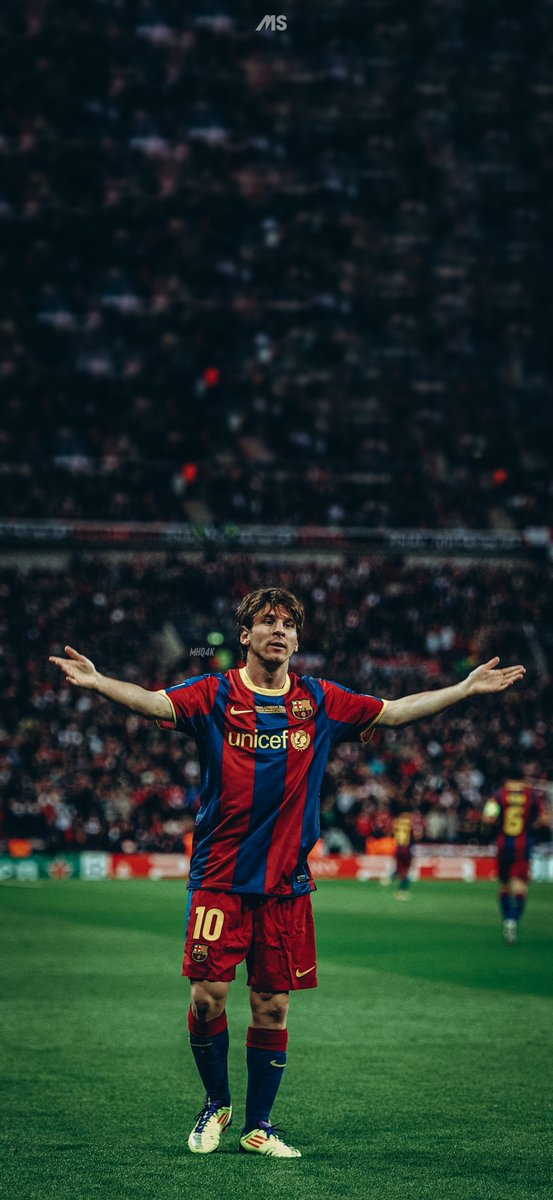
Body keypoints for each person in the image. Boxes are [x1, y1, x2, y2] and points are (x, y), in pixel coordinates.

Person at [49, 586, 526, 1158]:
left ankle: (260, 1126)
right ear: (245, 635)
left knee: (273, 1005)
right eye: (267, 622)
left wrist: (464, 688)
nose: (279, 630)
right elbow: (153, 703)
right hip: (220, 876)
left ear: (297, 640)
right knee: (208, 997)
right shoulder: (214, 693)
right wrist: (100, 682)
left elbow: (396, 712)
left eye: (288, 624)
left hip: (286, 884)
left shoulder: (320, 700)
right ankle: (215, 1103)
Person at [482, 769, 548, 945]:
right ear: (523, 779)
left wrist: (498, 823)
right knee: (520, 886)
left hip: (503, 844)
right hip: (523, 845)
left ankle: (506, 918)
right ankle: (512, 920)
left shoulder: (498, 795)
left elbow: (488, 818)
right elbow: (544, 819)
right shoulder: (533, 795)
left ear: (507, 779)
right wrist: (532, 826)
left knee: (505, 885)